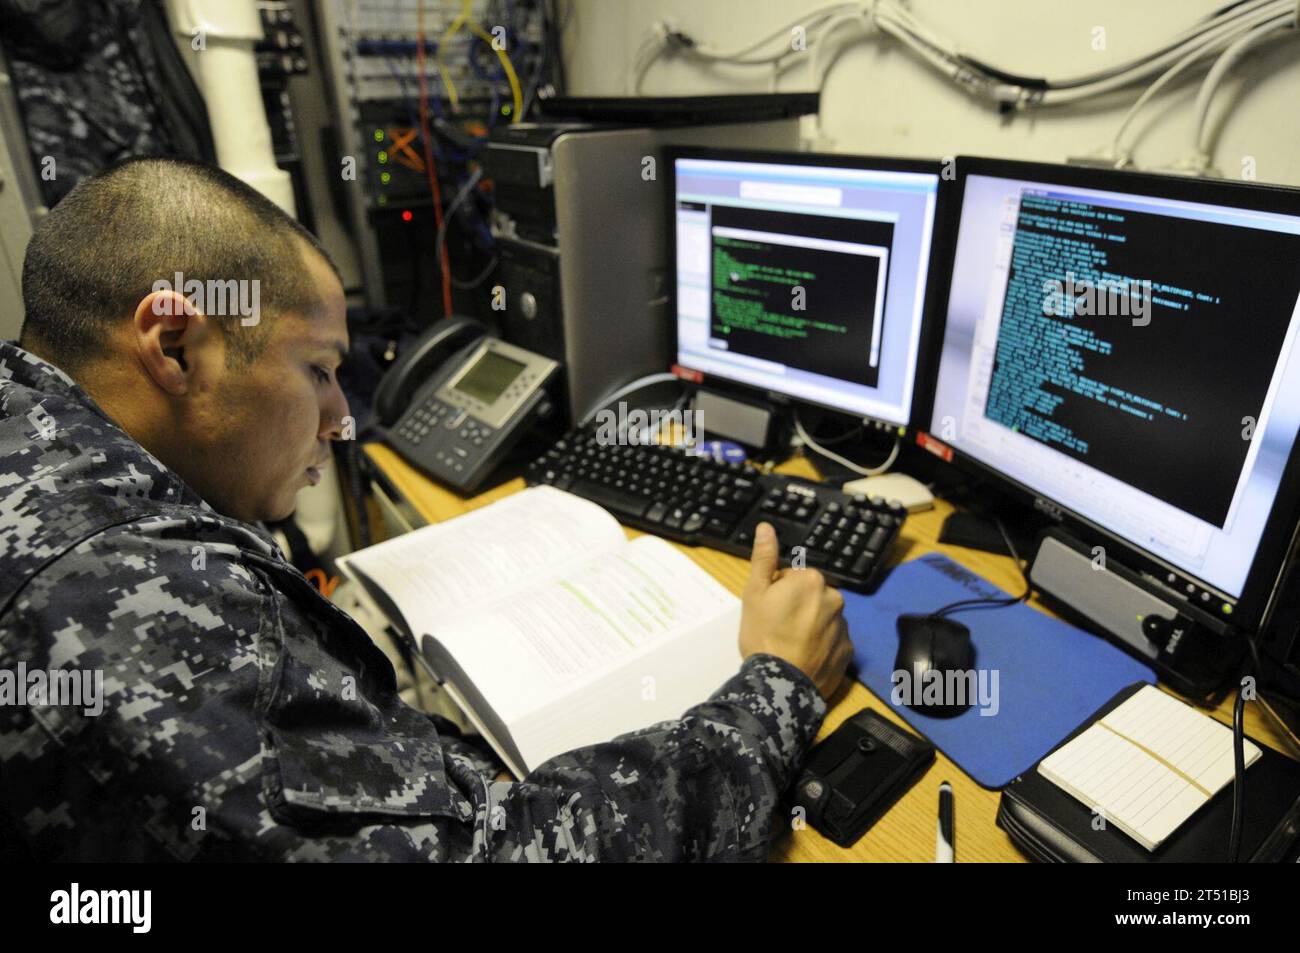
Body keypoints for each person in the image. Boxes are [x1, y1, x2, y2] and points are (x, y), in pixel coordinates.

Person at [0, 157, 851, 862]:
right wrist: (774, 687)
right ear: (177, 346)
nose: (344, 419)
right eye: (320, 370)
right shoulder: (107, 592)